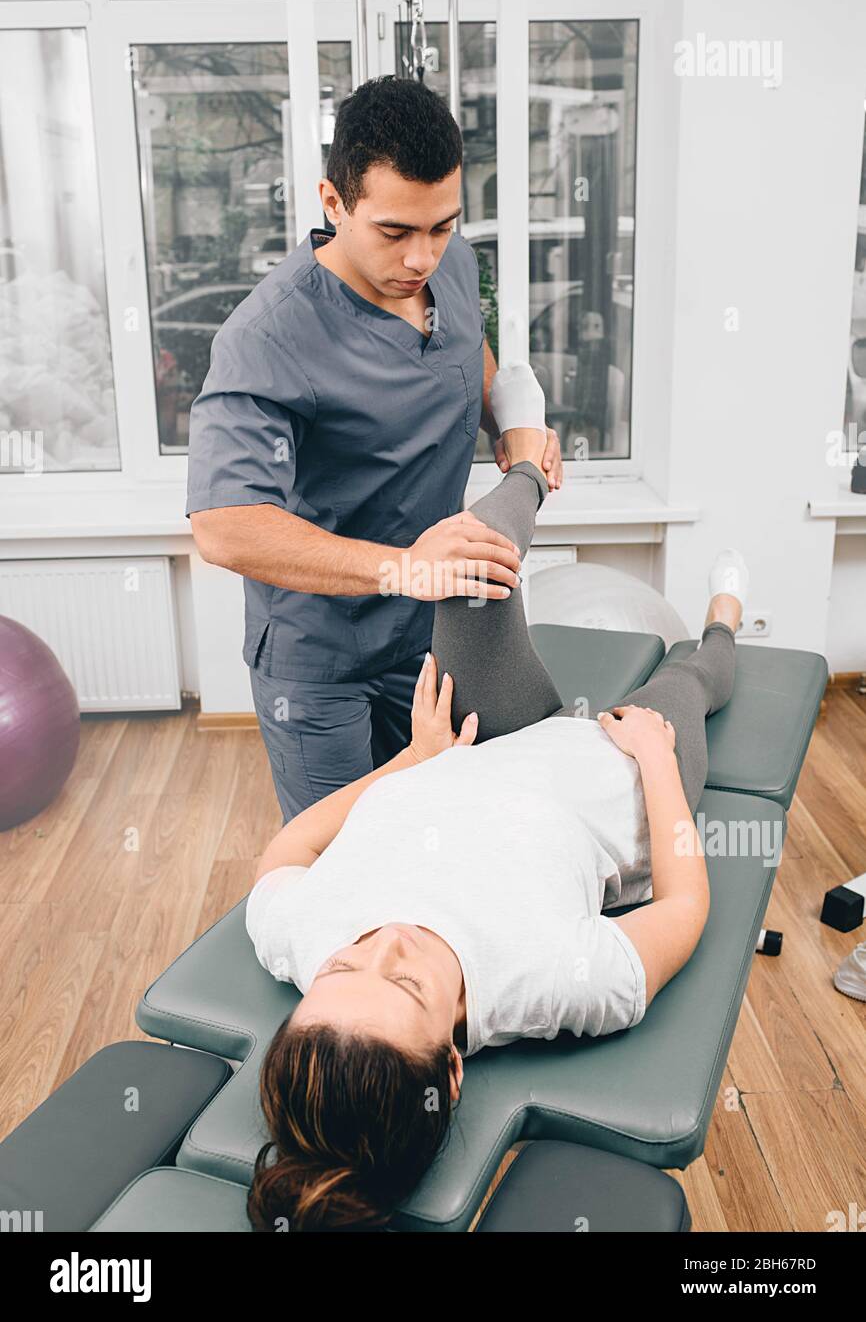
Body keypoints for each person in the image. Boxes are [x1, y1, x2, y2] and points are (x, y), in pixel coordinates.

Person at [243, 417, 749, 1232]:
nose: (385, 947)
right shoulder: (555, 983)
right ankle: (726, 620)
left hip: (481, 741)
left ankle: (532, 470)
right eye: (406, 986)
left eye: (344, 969)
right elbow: (683, 910)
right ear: (450, 1062)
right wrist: (656, 760)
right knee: (691, 682)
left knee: (465, 567)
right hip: (615, 771)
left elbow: (287, 847)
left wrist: (409, 761)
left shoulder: (295, 941)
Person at [185, 74, 562, 823]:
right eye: (394, 232)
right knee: (346, 862)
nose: (421, 257)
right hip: (320, 662)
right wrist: (404, 569)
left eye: (442, 226)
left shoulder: (451, 265)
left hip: (428, 634)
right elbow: (223, 526)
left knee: (438, 827)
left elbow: (467, 357)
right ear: (334, 204)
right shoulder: (268, 337)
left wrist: (510, 425)